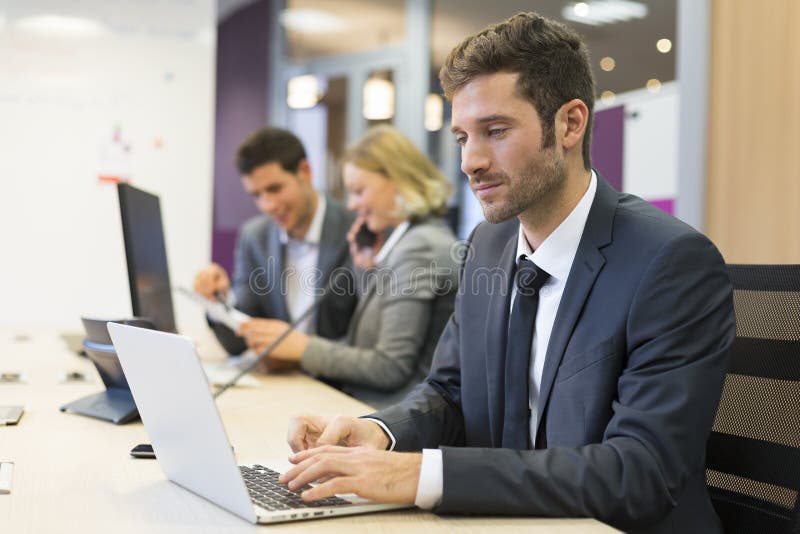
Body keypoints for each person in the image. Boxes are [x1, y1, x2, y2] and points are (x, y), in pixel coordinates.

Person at [275, 12, 737, 534]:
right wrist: (380, 432)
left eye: (494, 131)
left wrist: (424, 473)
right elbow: (449, 392)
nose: (470, 160)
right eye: (461, 137)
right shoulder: (489, 245)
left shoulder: (671, 263)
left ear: (570, 123)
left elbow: (640, 471)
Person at [237, 125, 459, 408]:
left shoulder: (419, 248)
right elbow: (367, 339)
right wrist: (369, 271)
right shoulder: (408, 242)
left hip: (392, 413)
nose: (352, 204)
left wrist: (302, 347)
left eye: (358, 191)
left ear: (397, 179)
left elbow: (389, 366)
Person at [194, 127, 357, 357]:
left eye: (275, 189)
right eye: (257, 195)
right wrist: (219, 301)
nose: (267, 205)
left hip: (336, 385)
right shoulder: (254, 237)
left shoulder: (355, 232)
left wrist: (303, 354)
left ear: (305, 172)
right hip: (283, 383)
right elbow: (237, 344)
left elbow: (368, 345)